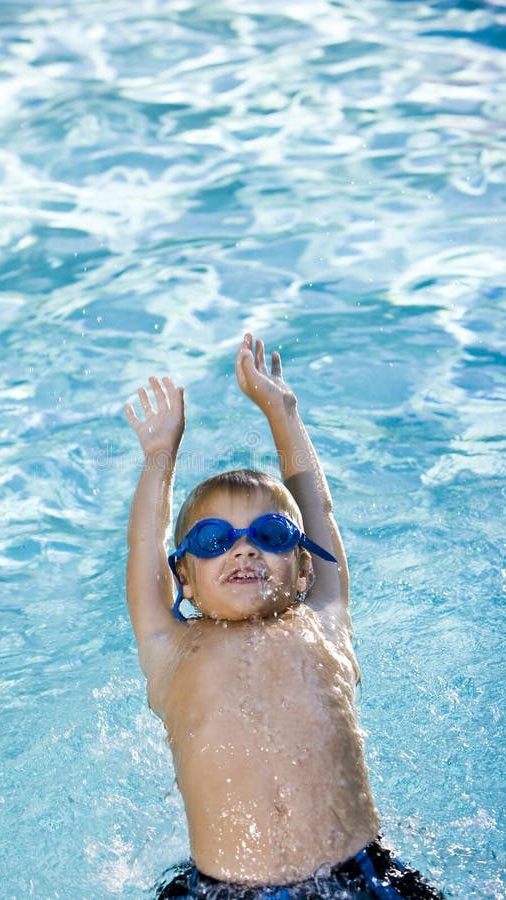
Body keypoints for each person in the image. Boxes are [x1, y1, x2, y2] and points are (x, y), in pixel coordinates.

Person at [124, 334, 444, 899]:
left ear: (304, 569)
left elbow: (318, 509)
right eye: (214, 540)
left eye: (270, 534)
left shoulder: (323, 620)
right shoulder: (170, 648)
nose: (243, 549)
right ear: (183, 581)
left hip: (360, 877)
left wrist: (283, 412)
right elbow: (144, 552)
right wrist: (159, 457)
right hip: (226, 889)